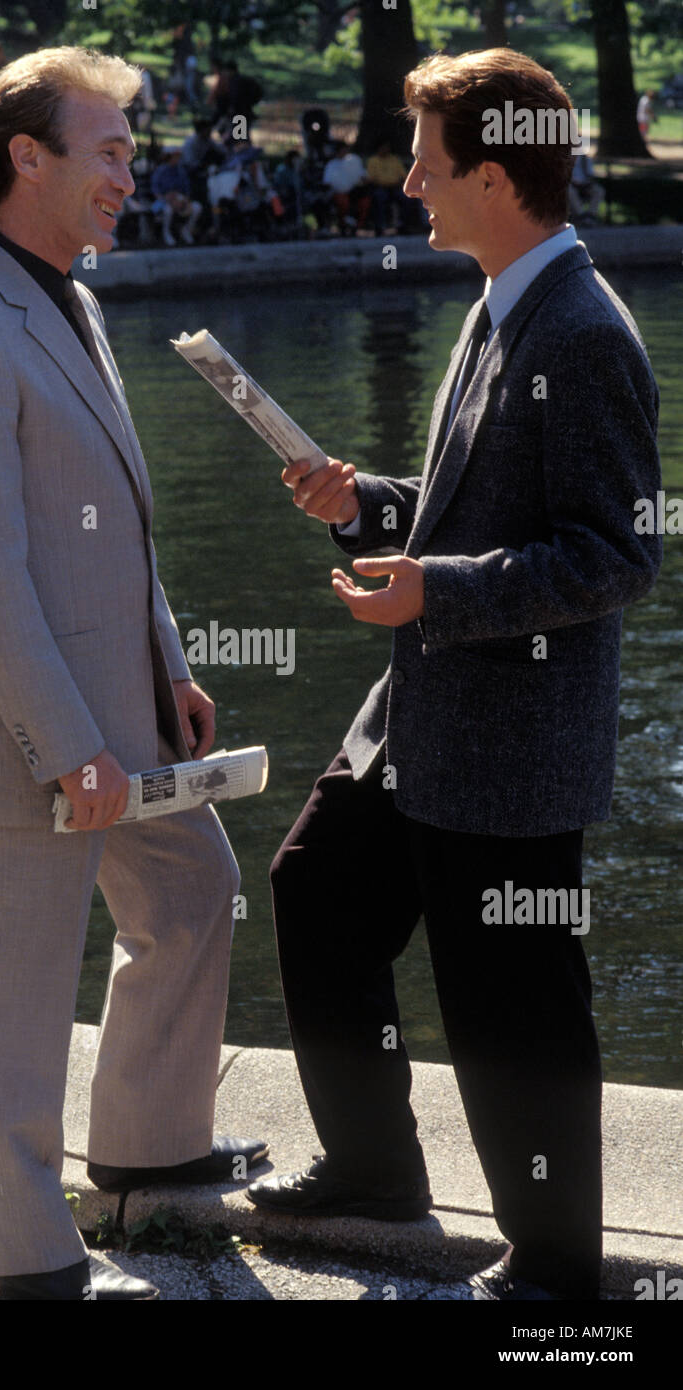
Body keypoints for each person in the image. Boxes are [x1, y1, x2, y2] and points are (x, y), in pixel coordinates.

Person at [246, 48, 662, 1304]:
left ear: (490, 175)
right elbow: (474, 507)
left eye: (428, 157)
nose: (410, 176)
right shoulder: (502, 299)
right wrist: (369, 505)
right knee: (317, 891)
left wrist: (440, 589)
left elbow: (615, 553)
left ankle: (556, 1266)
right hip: (422, 712)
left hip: (507, 743)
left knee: (513, 1003)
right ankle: (377, 1170)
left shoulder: (582, 331)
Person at [0, 46, 266, 1303]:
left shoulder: (69, 297)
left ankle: (147, 1162)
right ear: (23, 159)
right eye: (105, 147)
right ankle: (31, 1256)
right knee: (15, 995)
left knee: (196, 888)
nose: (128, 170)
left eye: (130, 147)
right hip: (23, 742)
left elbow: (113, 522)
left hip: (123, 717)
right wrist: (69, 746)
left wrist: (169, 673)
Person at [151, 147, 202, 246]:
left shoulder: (181, 171)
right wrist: (167, 199)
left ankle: (186, 230)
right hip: (164, 200)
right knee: (168, 210)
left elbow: (187, 189)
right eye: (175, 156)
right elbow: (155, 189)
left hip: (180, 200)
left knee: (197, 207)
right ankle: (166, 233)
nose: (177, 159)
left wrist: (184, 200)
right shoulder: (160, 171)